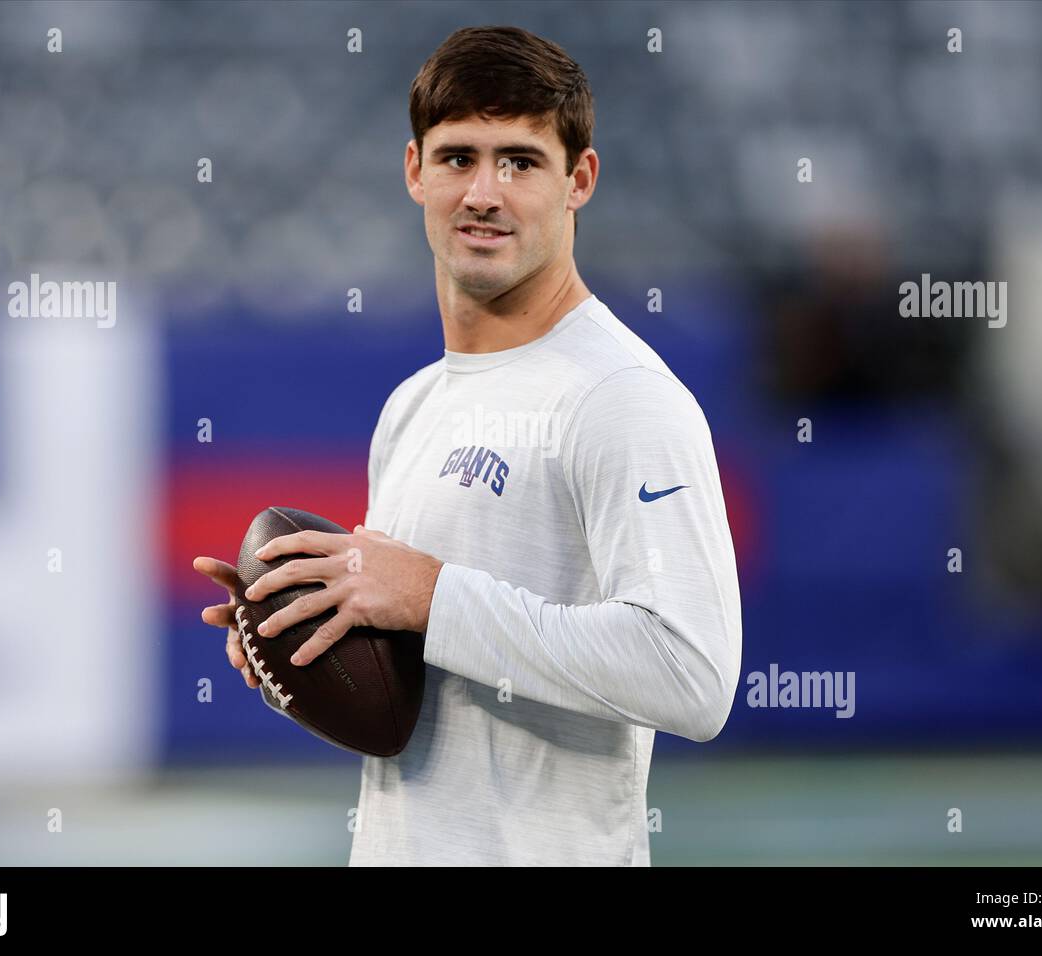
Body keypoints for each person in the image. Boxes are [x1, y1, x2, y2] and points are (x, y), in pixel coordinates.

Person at [194, 25, 742, 866]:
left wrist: (431, 596)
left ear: (579, 181)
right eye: (458, 158)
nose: (484, 192)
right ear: (415, 171)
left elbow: (692, 675)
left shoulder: (622, 396)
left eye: (520, 162)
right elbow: (427, 718)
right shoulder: (412, 406)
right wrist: (302, 657)